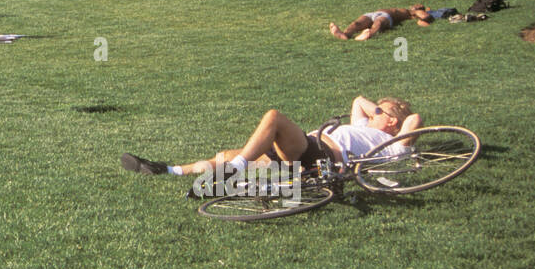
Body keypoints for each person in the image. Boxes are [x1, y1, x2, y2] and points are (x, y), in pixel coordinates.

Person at [121, 96, 423, 177]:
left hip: (320, 155)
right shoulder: (364, 127)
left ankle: (236, 169)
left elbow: (414, 119)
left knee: (274, 118)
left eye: (380, 113)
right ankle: (168, 169)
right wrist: (378, 113)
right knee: (223, 156)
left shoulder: (391, 144)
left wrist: (392, 117)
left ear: (392, 121)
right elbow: (359, 100)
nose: (372, 114)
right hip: (303, 150)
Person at [330, 5, 431, 40]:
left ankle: (369, 34)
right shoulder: (406, 9)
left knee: (378, 24)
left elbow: (425, 16)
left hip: (386, 17)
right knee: (356, 24)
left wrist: (422, 19)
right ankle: (345, 34)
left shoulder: (412, 12)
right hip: (373, 14)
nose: (416, 5)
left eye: (419, 5)